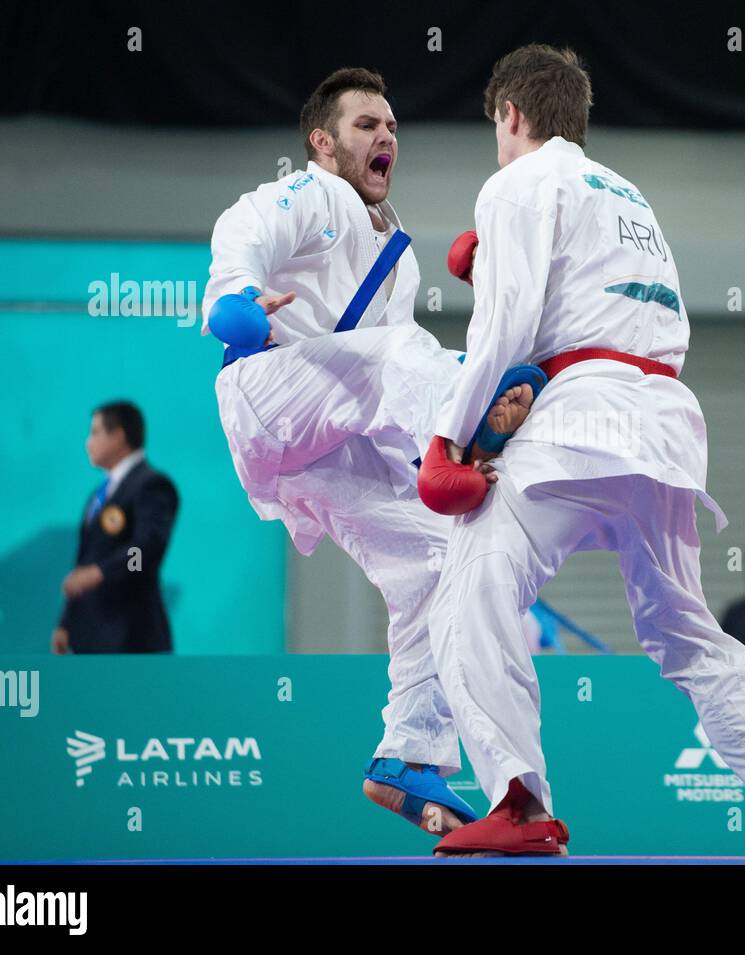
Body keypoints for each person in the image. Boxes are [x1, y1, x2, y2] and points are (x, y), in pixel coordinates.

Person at [418, 45, 745, 859]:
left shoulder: (517, 183)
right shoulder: (630, 198)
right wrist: (490, 267)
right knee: (683, 625)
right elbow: (606, 309)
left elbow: (504, 328)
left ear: (511, 115)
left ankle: (519, 801)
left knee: (470, 588)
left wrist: (447, 440)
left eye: (496, 125)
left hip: (578, 426)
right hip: (663, 427)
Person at [202, 67, 535, 838]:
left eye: (391, 126)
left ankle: (407, 755)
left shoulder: (398, 252)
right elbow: (242, 239)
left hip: (328, 436)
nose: (386, 136)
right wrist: (237, 300)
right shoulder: (305, 196)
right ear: (323, 142)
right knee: (400, 354)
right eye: (365, 125)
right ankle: (470, 423)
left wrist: (427, 467)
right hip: (266, 394)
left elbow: (381, 392)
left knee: (437, 560)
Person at [53, 401, 179, 654]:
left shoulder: (151, 485)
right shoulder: (98, 495)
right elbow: (85, 562)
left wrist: (100, 572)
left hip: (131, 637)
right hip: (91, 639)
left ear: (118, 436)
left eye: (95, 433)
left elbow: (146, 548)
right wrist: (66, 623)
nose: (88, 443)